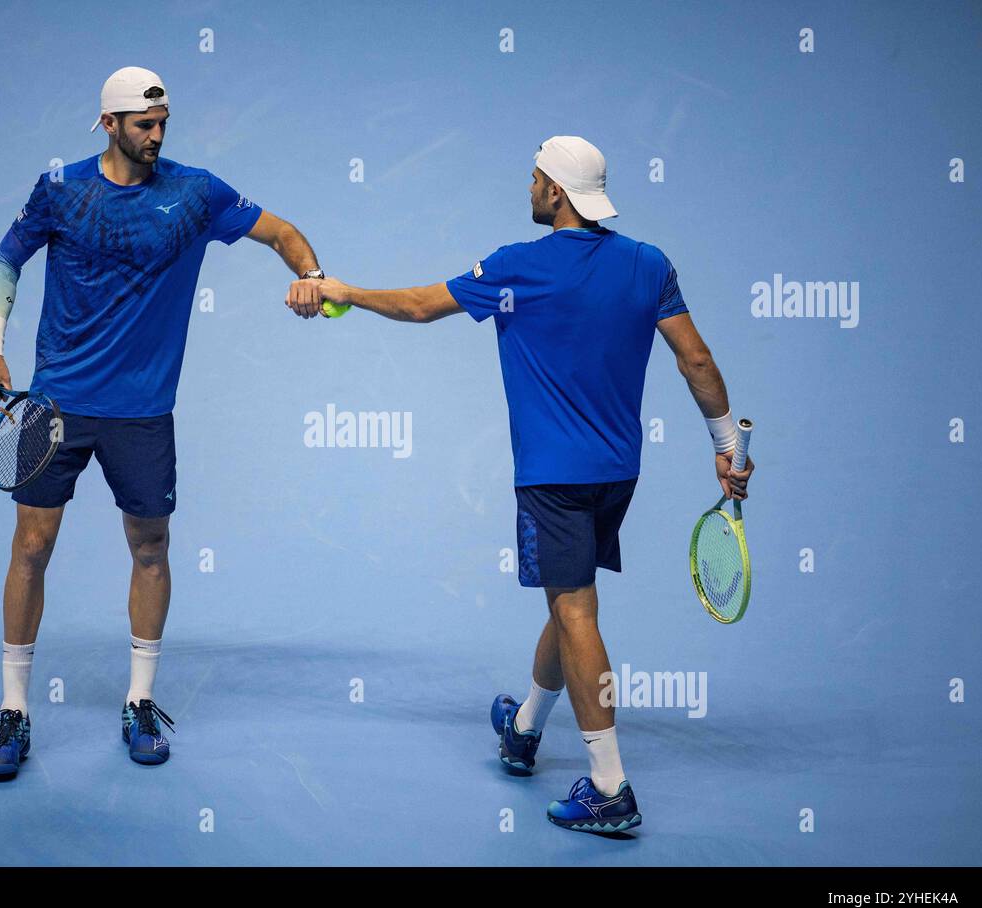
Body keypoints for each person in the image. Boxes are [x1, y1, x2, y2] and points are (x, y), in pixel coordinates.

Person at [312, 136, 754, 832]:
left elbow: (423, 306)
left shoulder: (518, 266)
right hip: (618, 473)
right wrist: (727, 445)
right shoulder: (648, 265)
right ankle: (523, 728)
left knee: (576, 611)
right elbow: (695, 359)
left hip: (552, 478)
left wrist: (347, 292)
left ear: (555, 193)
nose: (529, 189)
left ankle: (609, 785)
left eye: (535, 180)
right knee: (567, 596)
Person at [0, 67, 332, 778]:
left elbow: (282, 232)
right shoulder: (61, 191)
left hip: (143, 411)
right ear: (109, 124)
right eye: (143, 124)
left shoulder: (195, 193)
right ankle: (14, 710)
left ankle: (140, 701)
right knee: (32, 546)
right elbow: (5, 261)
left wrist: (312, 276)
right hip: (56, 403)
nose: (157, 134)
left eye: (163, 122)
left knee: (149, 547)